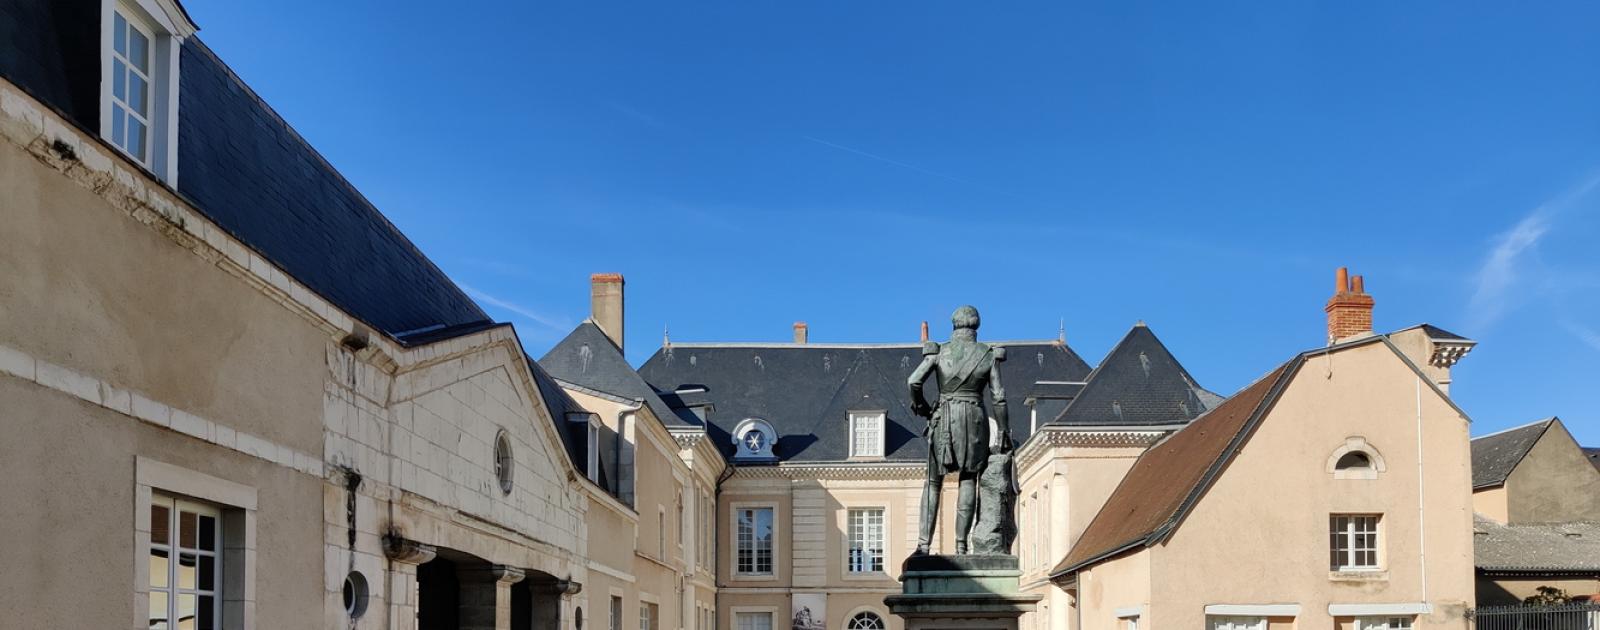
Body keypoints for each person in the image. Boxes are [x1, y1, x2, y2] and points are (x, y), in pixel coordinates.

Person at [908, 305, 1010, 555]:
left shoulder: (940, 352)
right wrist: (1004, 431)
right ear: (976, 326)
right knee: (968, 479)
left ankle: (923, 545)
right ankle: (961, 546)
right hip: (974, 419)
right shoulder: (988, 355)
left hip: (944, 417)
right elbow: (998, 397)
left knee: (933, 482)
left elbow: (913, 381)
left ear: (954, 325)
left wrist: (922, 408)